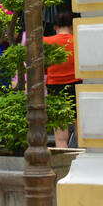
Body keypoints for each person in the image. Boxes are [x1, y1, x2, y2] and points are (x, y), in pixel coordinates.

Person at [44, 10, 79, 148]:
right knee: (80, 129)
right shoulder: (78, 41)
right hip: (77, 85)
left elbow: (43, 69)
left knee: (60, 135)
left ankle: (64, 164)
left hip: (54, 87)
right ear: (72, 25)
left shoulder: (46, 42)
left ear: (54, 27)